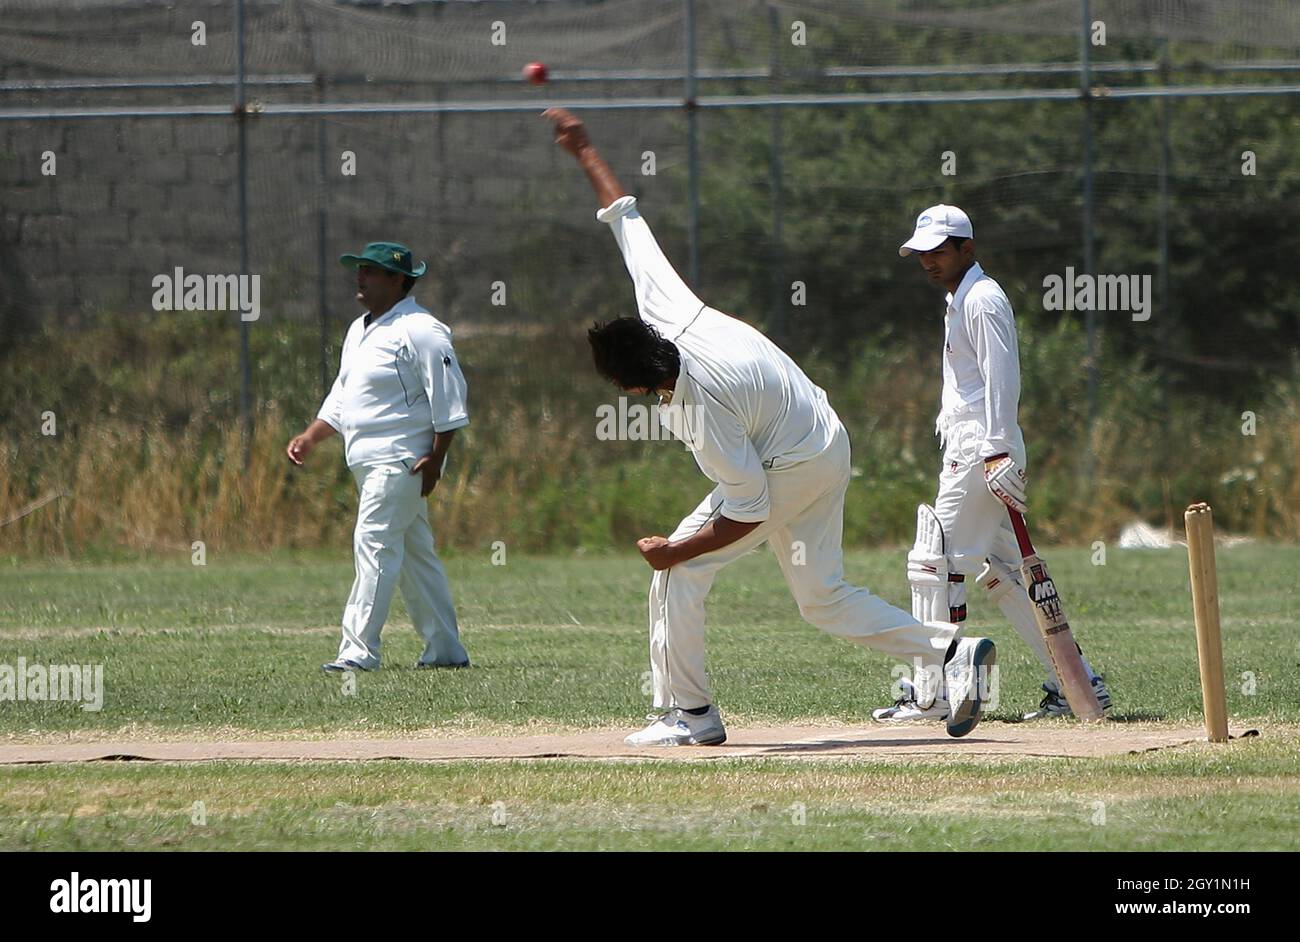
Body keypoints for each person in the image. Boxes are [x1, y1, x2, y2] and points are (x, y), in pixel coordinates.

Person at [543, 107, 997, 746]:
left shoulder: (702, 408)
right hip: (826, 441)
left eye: (631, 391)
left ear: (644, 381)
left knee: (679, 572)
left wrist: (675, 551)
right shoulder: (666, 309)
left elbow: (750, 509)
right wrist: (584, 148)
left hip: (785, 466)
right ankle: (952, 654)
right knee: (823, 597)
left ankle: (692, 715)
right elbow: (626, 218)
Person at [873, 205, 1111, 722]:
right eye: (922, 253)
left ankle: (931, 692)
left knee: (934, 564)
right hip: (977, 447)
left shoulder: (982, 298)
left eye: (939, 251)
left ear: (967, 249)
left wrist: (998, 447)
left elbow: (1003, 375)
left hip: (980, 449)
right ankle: (1075, 684)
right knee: (1001, 572)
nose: (928, 262)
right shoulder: (960, 299)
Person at [286, 242, 471, 673]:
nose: (361, 276)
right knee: (414, 555)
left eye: (371, 270)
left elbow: (448, 397)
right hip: (367, 461)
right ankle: (445, 651)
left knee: (373, 545)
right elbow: (344, 393)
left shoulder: (421, 329)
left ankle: (357, 652)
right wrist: (312, 436)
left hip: (400, 460)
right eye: (360, 269)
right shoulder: (360, 329)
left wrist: (437, 459)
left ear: (399, 280)